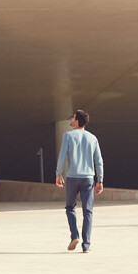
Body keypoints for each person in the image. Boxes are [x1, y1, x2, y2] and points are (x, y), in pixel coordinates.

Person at [54, 108, 104, 253]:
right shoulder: (93, 138)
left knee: (70, 208)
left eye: (73, 117)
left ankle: (75, 235)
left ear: (76, 121)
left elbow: (62, 156)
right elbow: (98, 161)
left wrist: (58, 174)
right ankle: (86, 245)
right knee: (88, 212)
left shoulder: (68, 136)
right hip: (88, 178)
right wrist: (100, 180)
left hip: (72, 178)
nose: (71, 119)